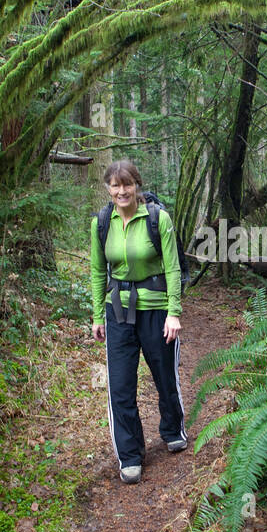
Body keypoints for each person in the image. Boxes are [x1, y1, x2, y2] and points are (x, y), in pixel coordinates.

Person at [90, 160, 187, 484]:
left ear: (137, 186)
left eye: (127, 185)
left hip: (157, 310)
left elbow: (173, 268)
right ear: (108, 189)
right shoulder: (102, 222)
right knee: (120, 386)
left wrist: (174, 312)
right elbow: (96, 270)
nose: (121, 191)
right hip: (117, 311)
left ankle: (172, 429)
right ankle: (130, 455)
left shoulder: (158, 219)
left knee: (163, 375)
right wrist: (95, 315)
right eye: (115, 186)